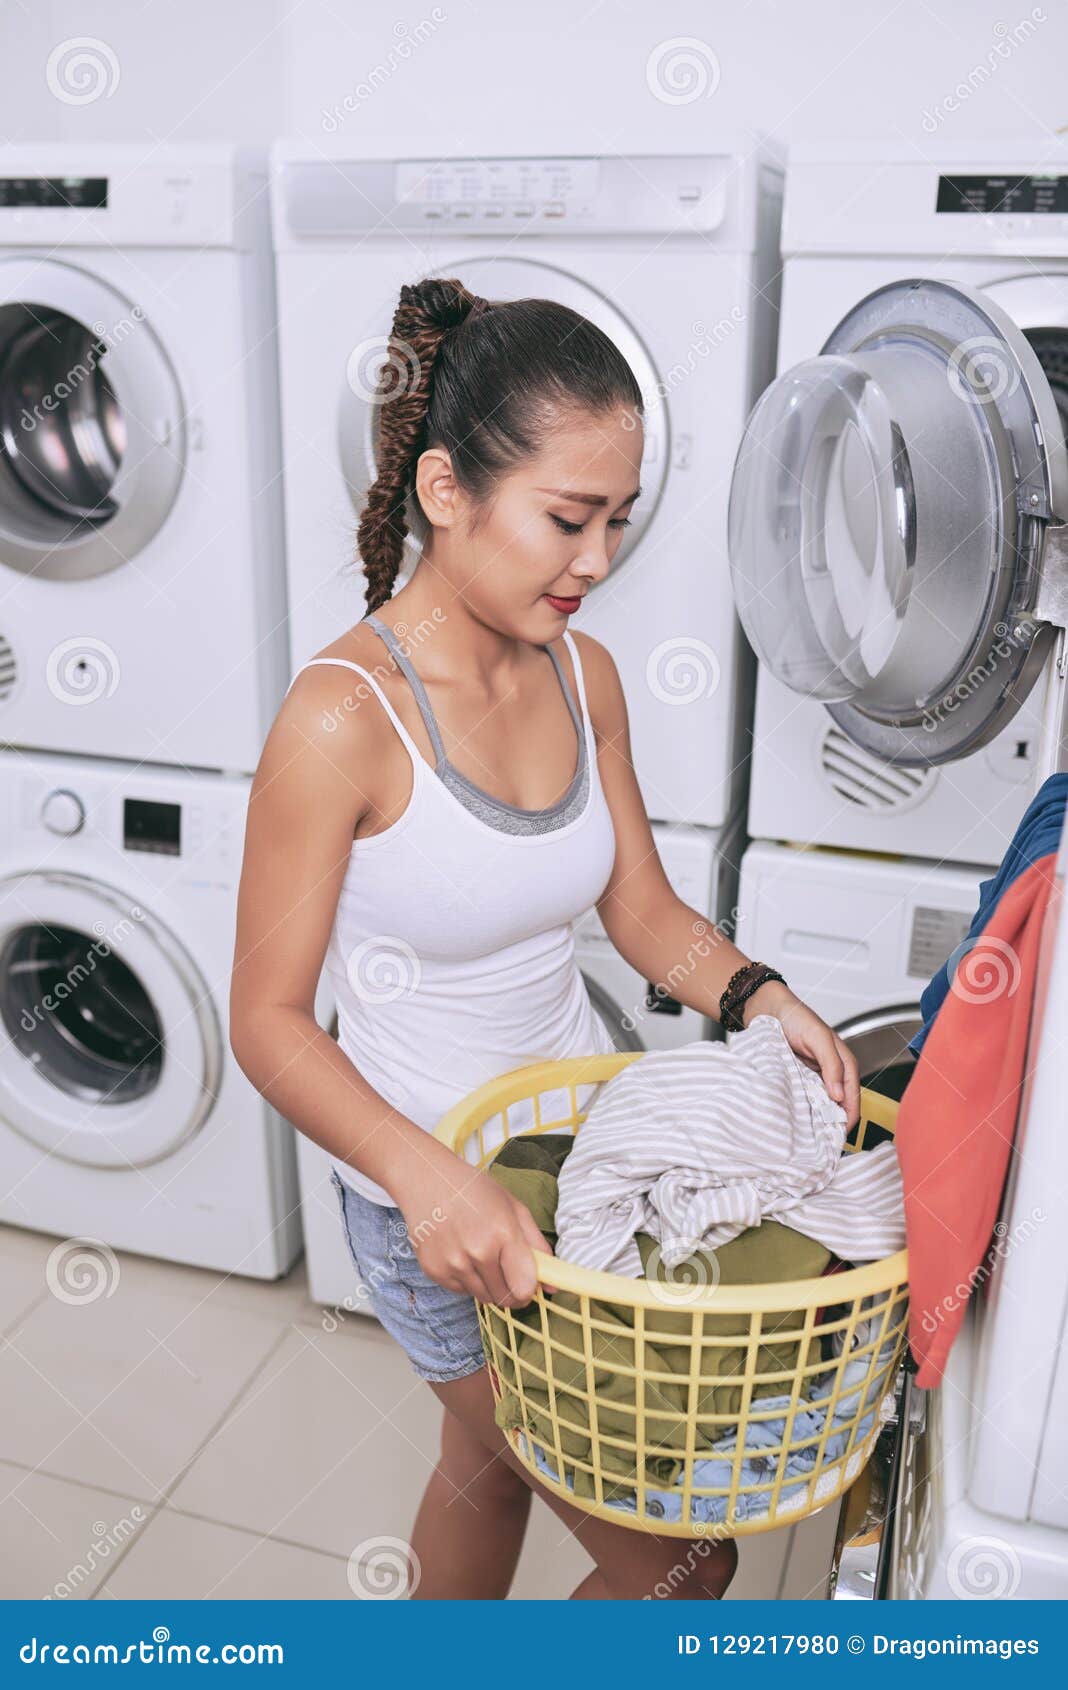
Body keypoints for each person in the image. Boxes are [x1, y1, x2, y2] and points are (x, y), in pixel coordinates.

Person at [230, 277, 861, 1601]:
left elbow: (639, 913)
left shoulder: (584, 676)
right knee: (688, 1567)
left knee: (491, 1465)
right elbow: (269, 1022)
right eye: (569, 519)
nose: (598, 561)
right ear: (449, 491)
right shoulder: (341, 720)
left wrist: (757, 991)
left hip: (578, 1156)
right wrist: (428, 1179)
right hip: (431, 1200)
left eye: (617, 521)